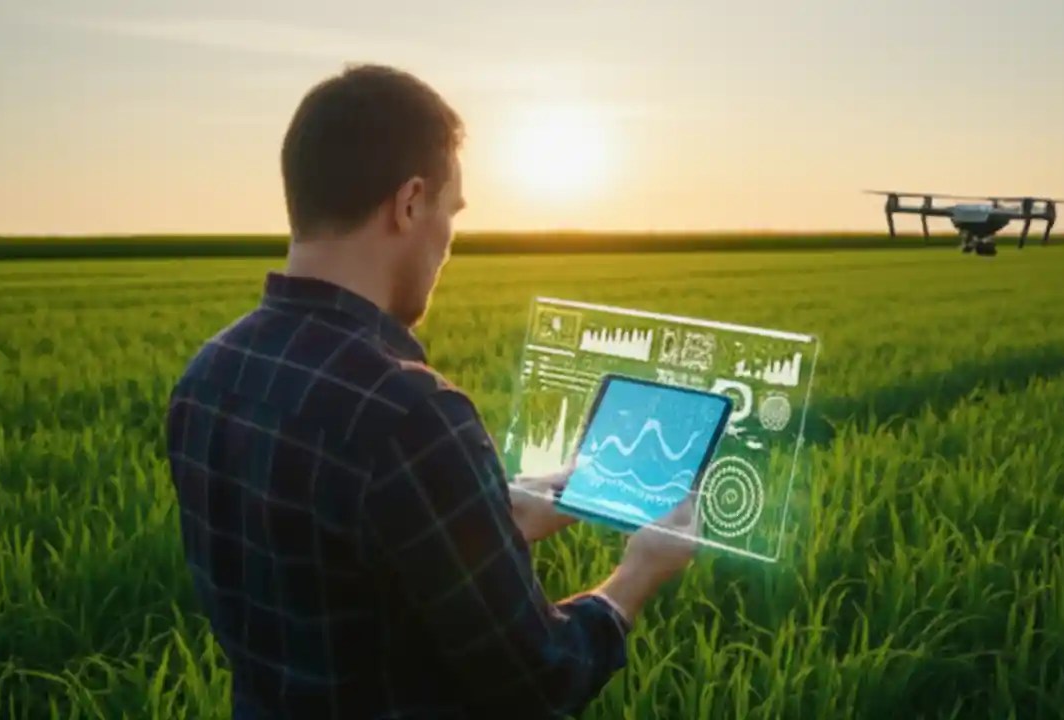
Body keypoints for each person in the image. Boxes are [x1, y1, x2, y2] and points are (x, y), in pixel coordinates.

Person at [163, 63, 699, 719]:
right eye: (451, 213)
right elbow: (539, 678)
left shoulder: (208, 375)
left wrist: (508, 510)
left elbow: (345, 563)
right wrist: (637, 574)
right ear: (410, 202)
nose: (448, 241)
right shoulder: (410, 413)